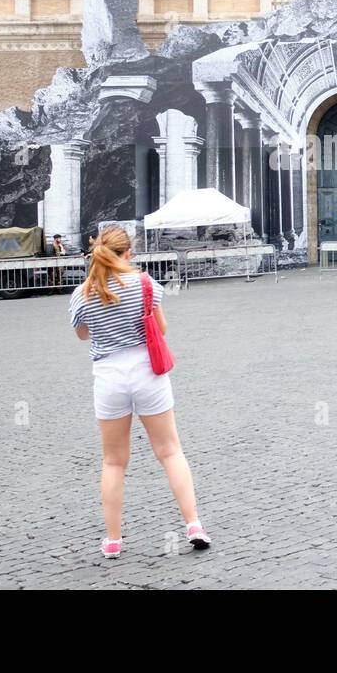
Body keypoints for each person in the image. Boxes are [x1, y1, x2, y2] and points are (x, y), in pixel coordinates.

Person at [69, 227, 210, 560]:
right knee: (170, 451)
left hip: (108, 376)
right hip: (148, 371)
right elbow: (160, 328)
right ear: (128, 253)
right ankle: (193, 525)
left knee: (113, 461)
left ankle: (114, 540)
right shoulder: (146, 284)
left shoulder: (82, 293)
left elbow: (82, 335)